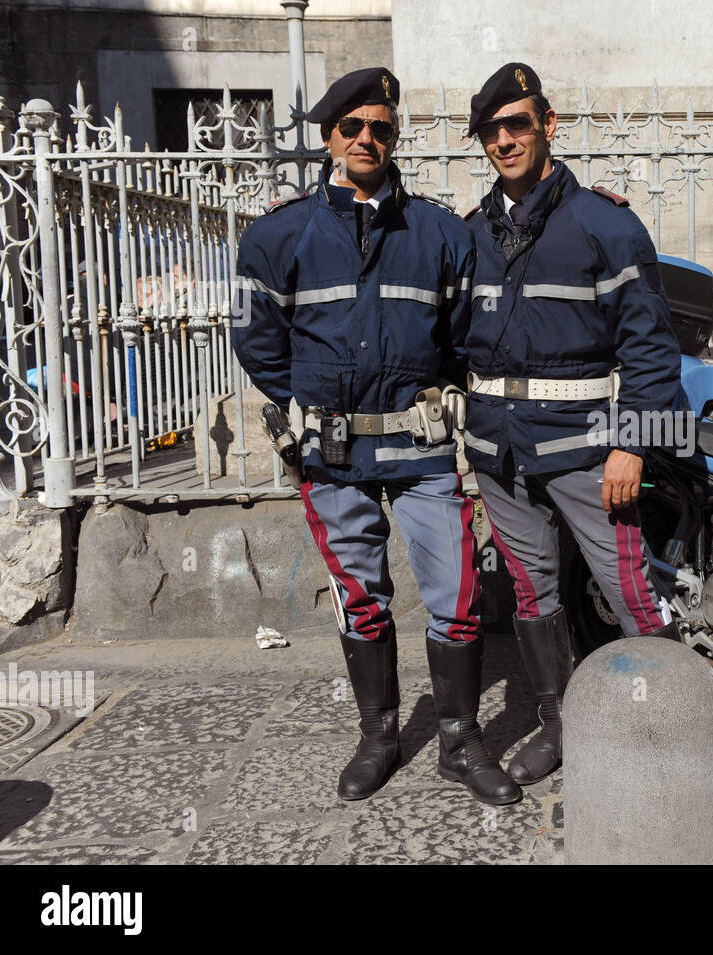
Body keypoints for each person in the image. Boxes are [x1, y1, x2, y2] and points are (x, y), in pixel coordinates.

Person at [231, 67, 519, 806]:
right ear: (329, 135)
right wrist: (303, 403)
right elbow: (259, 341)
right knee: (360, 599)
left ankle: (459, 739)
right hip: (331, 457)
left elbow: (461, 339)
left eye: (381, 127)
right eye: (353, 126)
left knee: (457, 596)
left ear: (395, 137)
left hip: (421, 453)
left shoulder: (438, 233)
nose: (368, 138)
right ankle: (380, 736)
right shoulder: (277, 234)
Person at [462, 62, 681, 786]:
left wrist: (634, 447)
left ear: (547, 125)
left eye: (517, 123)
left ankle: (674, 736)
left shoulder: (605, 224)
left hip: (590, 454)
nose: (505, 139)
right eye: (491, 130)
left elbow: (650, 349)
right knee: (533, 592)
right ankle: (560, 726)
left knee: (631, 591)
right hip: (499, 453)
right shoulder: (469, 235)